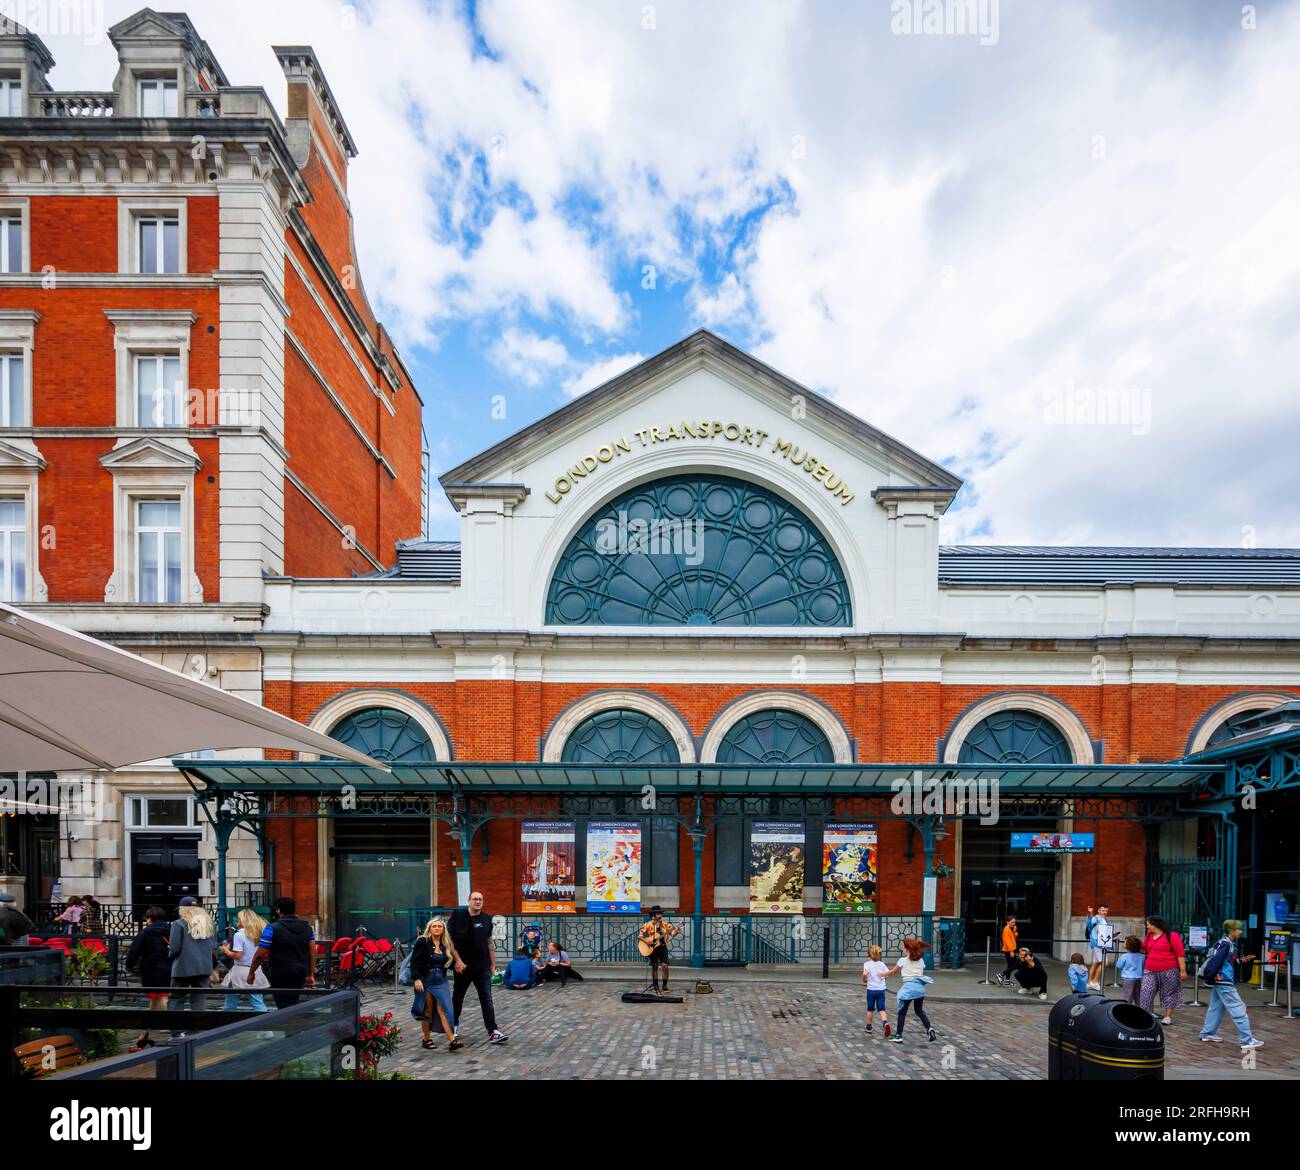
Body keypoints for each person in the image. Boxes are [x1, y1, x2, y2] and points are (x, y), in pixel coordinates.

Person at [448, 890, 508, 1045]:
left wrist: (493, 963)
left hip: (482, 967)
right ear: (468, 901)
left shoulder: (487, 919)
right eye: (475, 899)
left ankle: (493, 1031)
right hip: (462, 966)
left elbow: (489, 942)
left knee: (486, 998)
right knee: (457, 998)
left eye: (480, 899)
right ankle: (453, 1028)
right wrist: (458, 960)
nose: (477, 901)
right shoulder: (457, 915)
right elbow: (449, 941)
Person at [1199, 919, 1263, 1051]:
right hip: (1224, 981)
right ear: (1231, 931)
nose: (1240, 931)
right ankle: (1247, 1039)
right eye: (1238, 929)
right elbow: (1218, 962)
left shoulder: (1224, 943)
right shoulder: (1226, 944)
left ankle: (1208, 1033)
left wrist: (1239, 961)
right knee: (1238, 1008)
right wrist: (1210, 977)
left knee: (1216, 1008)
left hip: (1220, 980)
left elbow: (1224, 962)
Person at [249, 896, 317, 1008]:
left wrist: (252, 972)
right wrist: (310, 974)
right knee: (292, 1002)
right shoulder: (307, 928)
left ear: (278, 910)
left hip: (280, 971)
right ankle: (291, 1021)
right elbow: (312, 952)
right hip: (300, 971)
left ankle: (286, 1024)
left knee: (282, 1003)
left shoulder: (272, 928)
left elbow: (259, 955)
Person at [410, 917, 465, 1052]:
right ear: (429, 928)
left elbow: (446, 962)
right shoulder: (423, 941)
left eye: (439, 926)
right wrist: (416, 979)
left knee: (445, 1010)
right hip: (426, 981)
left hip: (441, 981)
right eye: (434, 926)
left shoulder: (444, 943)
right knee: (427, 1010)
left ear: (443, 929)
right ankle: (427, 1039)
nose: (436, 928)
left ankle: (452, 1041)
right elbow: (414, 962)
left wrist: (457, 965)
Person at [124, 905, 172, 1048]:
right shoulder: (171, 930)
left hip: (151, 968)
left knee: (158, 995)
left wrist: (129, 964)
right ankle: (150, 1026)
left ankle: (162, 1024)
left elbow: (135, 951)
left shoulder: (145, 933)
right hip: (169, 965)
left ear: (149, 918)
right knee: (161, 994)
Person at [887, 937, 937, 1043]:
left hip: (909, 990)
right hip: (920, 989)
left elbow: (891, 972)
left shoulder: (902, 961)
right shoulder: (921, 961)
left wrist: (881, 974)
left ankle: (898, 1035)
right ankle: (929, 1029)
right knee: (919, 1010)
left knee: (902, 1013)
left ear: (908, 949)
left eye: (903, 948)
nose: (902, 950)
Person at [1140, 915, 1186, 1025]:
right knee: (1146, 990)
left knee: (1169, 992)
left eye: (1148, 925)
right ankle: (1143, 1014)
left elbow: (1180, 954)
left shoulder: (1172, 936)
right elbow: (1143, 948)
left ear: (1155, 924)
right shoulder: (1149, 935)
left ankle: (1167, 1016)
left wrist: (1183, 970)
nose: (1147, 927)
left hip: (1169, 969)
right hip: (1150, 968)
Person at [219, 908, 269, 1012]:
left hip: (240, 971)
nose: (237, 921)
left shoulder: (239, 935)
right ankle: (266, 1025)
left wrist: (225, 951)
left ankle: (225, 1024)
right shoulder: (259, 934)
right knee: (258, 1003)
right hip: (255, 970)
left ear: (244, 921)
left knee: (230, 1003)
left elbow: (238, 955)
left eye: (239, 919)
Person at [638, 904, 679, 994]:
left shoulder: (665, 925)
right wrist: (647, 942)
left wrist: (677, 931)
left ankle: (664, 986)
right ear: (653, 915)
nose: (660, 915)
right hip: (652, 948)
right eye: (658, 913)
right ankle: (655, 985)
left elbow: (672, 934)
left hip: (663, 948)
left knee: (665, 966)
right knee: (654, 967)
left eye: (660, 913)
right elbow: (640, 936)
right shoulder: (648, 924)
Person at [862, 943, 891, 1037]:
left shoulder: (867, 964)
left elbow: (865, 976)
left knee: (870, 1009)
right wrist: (884, 977)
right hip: (881, 990)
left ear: (869, 955)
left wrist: (865, 978)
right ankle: (885, 1022)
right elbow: (887, 975)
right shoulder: (882, 964)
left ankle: (869, 1026)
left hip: (871, 990)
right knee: (881, 1008)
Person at [1085, 903, 1114, 990]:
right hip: (1097, 943)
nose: (1105, 912)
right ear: (1098, 910)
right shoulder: (1096, 918)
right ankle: (1095, 982)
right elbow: (1089, 924)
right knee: (1104, 963)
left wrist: (1112, 935)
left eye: (1106, 911)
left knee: (1095, 963)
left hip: (1101, 943)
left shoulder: (1104, 919)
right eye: (1103, 910)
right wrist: (1090, 913)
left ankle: (1090, 982)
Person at [1115, 935, 1145, 1004]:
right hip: (1138, 979)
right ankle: (1139, 1009)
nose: (1124, 943)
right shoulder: (1141, 956)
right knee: (1138, 996)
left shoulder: (1124, 956)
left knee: (1128, 996)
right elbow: (1143, 966)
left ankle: (1128, 1010)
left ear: (1128, 946)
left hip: (1127, 979)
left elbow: (1118, 965)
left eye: (1125, 942)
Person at [995, 915, 1018, 985]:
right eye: (1012, 922)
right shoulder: (1006, 930)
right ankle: (1001, 974)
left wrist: (1014, 931)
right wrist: (1011, 951)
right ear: (1008, 922)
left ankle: (1007, 981)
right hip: (1008, 951)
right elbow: (1007, 942)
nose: (1014, 924)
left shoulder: (1008, 929)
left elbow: (1013, 939)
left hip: (1008, 950)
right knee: (1016, 964)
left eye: (1014, 922)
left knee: (1010, 965)